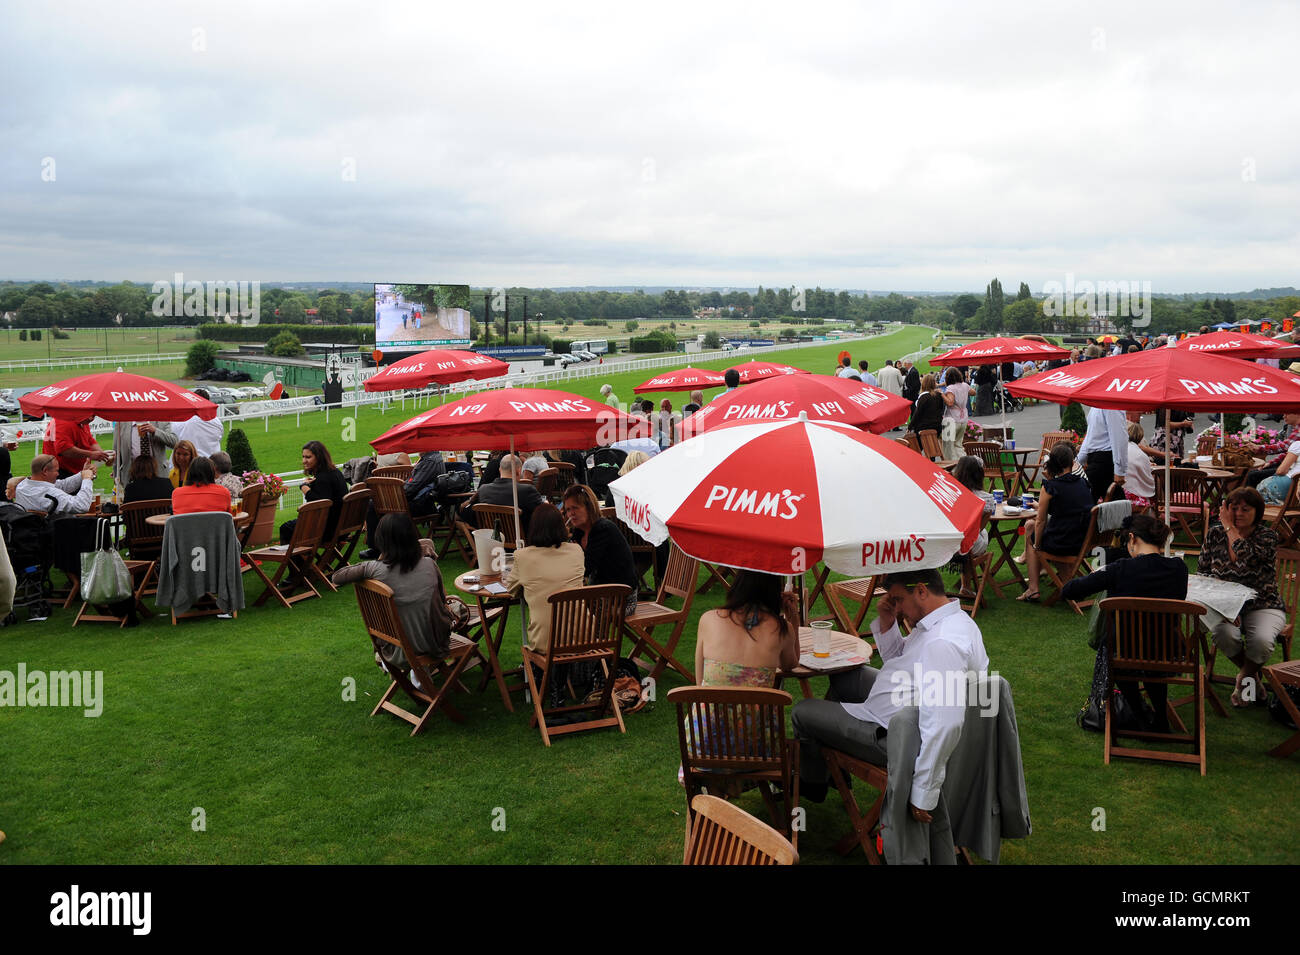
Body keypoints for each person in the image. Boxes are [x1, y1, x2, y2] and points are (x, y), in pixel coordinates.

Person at [791, 569, 989, 840]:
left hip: (892, 736)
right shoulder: (952, 621)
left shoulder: (943, 643)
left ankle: (814, 783)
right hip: (900, 703)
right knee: (845, 677)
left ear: (921, 590)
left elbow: (947, 722)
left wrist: (924, 792)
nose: (898, 609)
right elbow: (902, 662)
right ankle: (832, 771)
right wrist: (887, 624)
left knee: (803, 711)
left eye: (898, 599)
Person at [1062, 513, 1186, 732]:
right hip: (1170, 652)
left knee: (1114, 647)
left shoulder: (1120, 569)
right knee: (1150, 647)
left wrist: (1102, 577)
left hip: (1126, 653)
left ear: (1132, 539)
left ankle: (1139, 713)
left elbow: (1069, 590)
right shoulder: (1179, 569)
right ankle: (1158, 717)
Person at [332, 513, 459, 672]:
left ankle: (416, 671)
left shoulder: (373, 569)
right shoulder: (428, 564)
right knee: (456, 605)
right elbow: (443, 601)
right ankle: (422, 671)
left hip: (396, 651)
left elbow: (336, 577)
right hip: (436, 645)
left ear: (381, 540)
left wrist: (379, 558)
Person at [1201, 487, 1287, 707]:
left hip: (1263, 604)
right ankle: (1252, 676)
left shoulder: (1267, 536)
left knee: (1261, 642)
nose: (1238, 513)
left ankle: (1244, 677)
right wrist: (1226, 606)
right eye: (1233, 508)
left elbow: (1246, 555)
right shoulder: (1214, 534)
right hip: (1225, 605)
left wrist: (1228, 526)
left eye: (1245, 509)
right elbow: (1203, 574)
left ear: (1257, 512)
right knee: (1223, 634)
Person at [695, 571, 801, 688]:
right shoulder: (782, 629)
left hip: (710, 705)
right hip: (758, 706)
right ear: (775, 592)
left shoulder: (709, 619)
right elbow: (790, 664)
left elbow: (699, 683)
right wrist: (794, 618)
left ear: (737, 586)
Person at [505, 503, 585, 653]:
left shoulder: (522, 556)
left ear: (533, 527)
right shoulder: (576, 550)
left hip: (546, 641)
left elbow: (512, 590)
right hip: (584, 637)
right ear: (561, 526)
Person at [1019, 444, 1095, 601]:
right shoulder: (1083, 483)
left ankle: (1033, 590)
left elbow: (1040, 521)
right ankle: (1072, 585)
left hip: (1062, 542)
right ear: (1071, 462)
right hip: (1083, 542)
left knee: (1033, 538)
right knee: (1041, 532)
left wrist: (1037, 545)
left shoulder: (1051, 486)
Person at [561, 484, 639, 616]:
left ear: (589, 507)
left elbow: (586, 567)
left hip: (623, 597)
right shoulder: (579, 532)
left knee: (577, 609)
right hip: (602, 593)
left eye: (575, 508)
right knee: (569, 606)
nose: (571, 514)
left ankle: (596, 637)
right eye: (568, 510)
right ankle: (588, 636)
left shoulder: (603, 529)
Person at [280, 441, 348, 545]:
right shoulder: (335, 472)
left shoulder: (323, 478)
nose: (304, 461)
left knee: (286, 528)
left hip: (328, 531)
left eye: (308, 457)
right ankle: (304, 558)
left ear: (319, 458)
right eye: (303, 457)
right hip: (342, 528)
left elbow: (319, 504)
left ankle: (296, 560)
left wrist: (304, 487)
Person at [460, 453, 545, 534]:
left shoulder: (483, 490)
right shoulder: (527, 490)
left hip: (494, 540)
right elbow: (542, 515)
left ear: (500, 470)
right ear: (519, 471)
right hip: (522, 540)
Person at [1078, 405, 1128, 505]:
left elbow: (1119, 437)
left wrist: (1120, 470)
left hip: (1104, 461)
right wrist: (1079, 461)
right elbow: (1090, 435)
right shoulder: (1097, 405)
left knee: (1085, 506)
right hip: (1100, 461)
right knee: (1117, 508)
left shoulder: (1110, 403)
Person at [15, 454, 96, 515]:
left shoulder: (21, 486)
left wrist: (82, 474)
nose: (58, 474)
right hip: (51, 534)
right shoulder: (50, 494)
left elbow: (61, 485)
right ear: (45, 471)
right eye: (56, 470)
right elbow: (81, 506)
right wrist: (87, 479)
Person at [111, 420, 177, 491]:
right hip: (131, 475)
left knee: (158, 500)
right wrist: (116, 477)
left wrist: (155, 431)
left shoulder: (161, 421)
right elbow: (116, 453)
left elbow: (175, 442)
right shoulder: (121, 424)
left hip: (158, 474)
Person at [951, 456, 995, 557]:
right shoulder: (987, 499)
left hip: (949, 544)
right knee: (981, 532)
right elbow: (979, 528)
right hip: (971, 545)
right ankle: (969, 571)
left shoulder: (951, 495)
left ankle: (967, 572)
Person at [45, 416, 110, 479]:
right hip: (61, 472)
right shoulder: (64, 421)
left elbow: (89, 440)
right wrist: (91, 454)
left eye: (94, 415)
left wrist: (103, 455)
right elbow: (63, 449)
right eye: (89, 414)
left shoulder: (82, 420)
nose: (91, 418)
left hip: (73, 472)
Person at [1257, 417, 1300, 505]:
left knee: (1256, 493)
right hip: (1295, 492)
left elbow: (1281, 471)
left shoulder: (1297, 444)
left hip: (1289, 485)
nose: (1284, 416)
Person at [173, 390, 224, 458]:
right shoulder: (217, 421)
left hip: (191, 463)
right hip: (212, 462)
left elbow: (173, 440)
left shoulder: (184, 419)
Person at [940, 367, 971, 460]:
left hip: (951, 419)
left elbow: (950, 402)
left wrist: (942, 394)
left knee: (948, 447)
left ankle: (953, 467)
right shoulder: (965, 385)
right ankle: (964, 464)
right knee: (958, 444)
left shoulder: (950, 388)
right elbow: (973, 392)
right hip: (963, 419)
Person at [907, 373, 944, 446]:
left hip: (924, 426)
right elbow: (941, 410)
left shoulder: (923, 397)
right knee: (931, 446)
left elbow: (917, 413)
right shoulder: (938, 395)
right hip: (937, 426)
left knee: (917, 446)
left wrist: (910, 426)